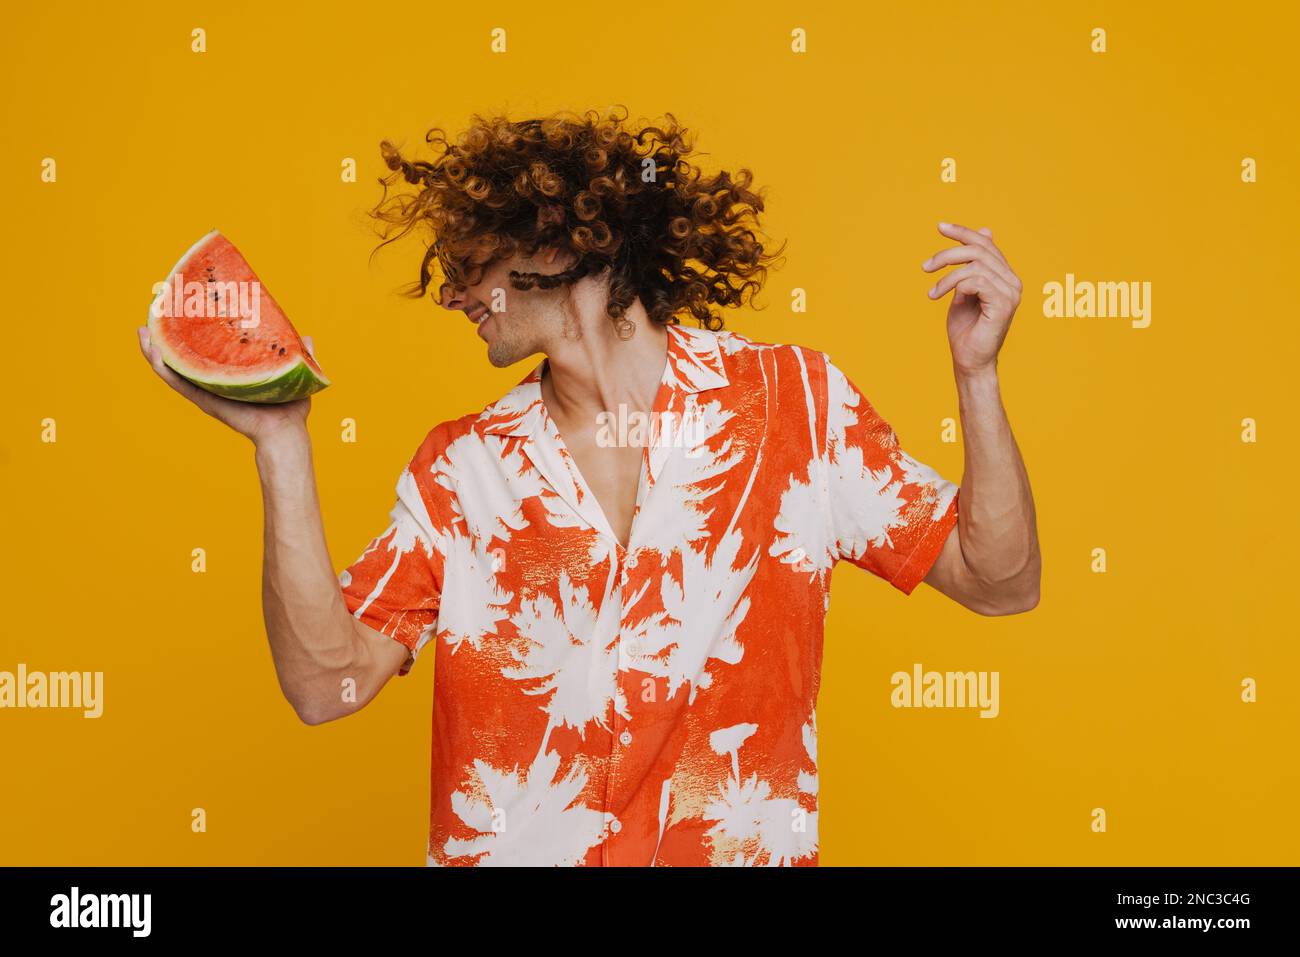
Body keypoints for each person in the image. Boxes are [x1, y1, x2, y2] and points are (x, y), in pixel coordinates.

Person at [138, 107, 1039, 866]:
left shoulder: (793, 407)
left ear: (562, 243)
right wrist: (280, 443)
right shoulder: (460, 470)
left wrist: (979, 377)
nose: (453, 294)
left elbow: (1001, 581)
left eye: (472, 260)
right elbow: (323, 685)